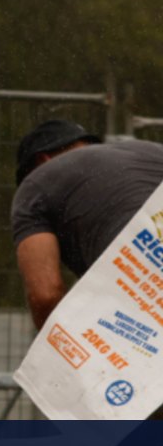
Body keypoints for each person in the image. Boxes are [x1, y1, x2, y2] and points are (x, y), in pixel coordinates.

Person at [12, 119, 163, 328]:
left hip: (144, 291)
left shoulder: (36, 184)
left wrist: (61, 349)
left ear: (41, 160)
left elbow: (45, 294)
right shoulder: (150, 151)